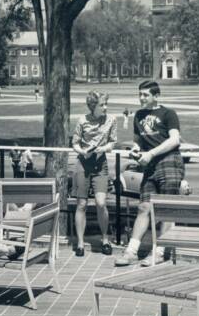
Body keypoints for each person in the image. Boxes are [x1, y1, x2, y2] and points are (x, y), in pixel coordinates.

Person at [115, 80, 184, 267]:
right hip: (149, 165)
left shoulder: (168, 113)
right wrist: (135, 150)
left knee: (166, 208)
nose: (141, 98)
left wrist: (151, 153)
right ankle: (131, 251)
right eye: (140, 94)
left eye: (145, 95)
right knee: (144, 207)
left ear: (156, 96)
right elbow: (139, 142)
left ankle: (160, 251)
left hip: (169, 161)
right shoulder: (138, 115)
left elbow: (175, 140)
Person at [71, 91, 118, 257]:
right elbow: (74, 143)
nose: (105, 107)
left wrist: (103, 148)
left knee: (100, 202)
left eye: (106, 104)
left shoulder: (111, 120)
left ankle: (106, 239)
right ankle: (81, 243)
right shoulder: (82, 120)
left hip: (100, 163)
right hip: (83, 163)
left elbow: (112, 142)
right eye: (101, 105)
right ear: (92, 106)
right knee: (81, 204)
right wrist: (83, 152)